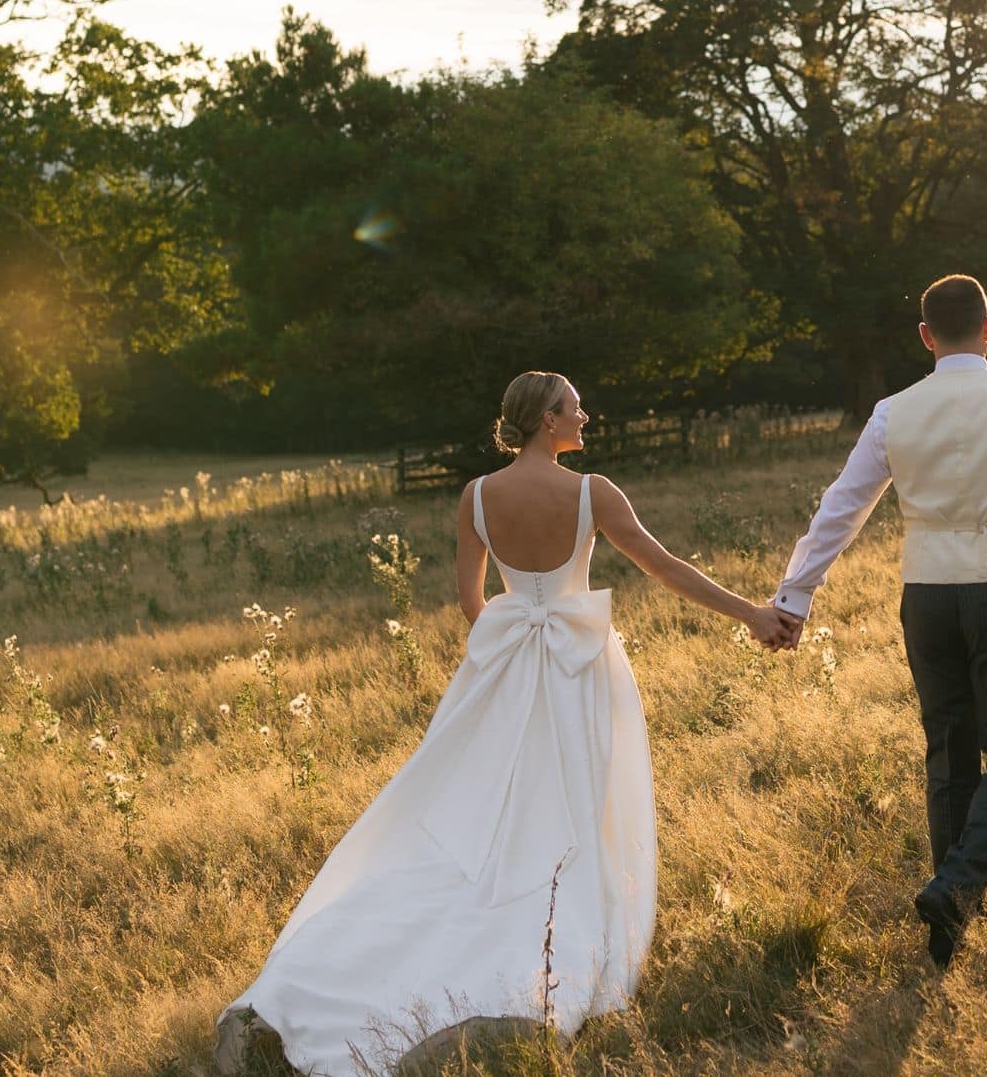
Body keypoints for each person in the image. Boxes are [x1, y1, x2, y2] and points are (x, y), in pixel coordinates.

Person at [217, 371, 797, 1074]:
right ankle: (554, 926)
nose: (585, 416)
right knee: (577, 801)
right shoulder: (593, 493)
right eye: (575, 408)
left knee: (486, 799)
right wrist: (751, 614)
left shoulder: (476, 496)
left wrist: (515, 642)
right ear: (549, 419)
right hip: (581, 668)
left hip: (504, 667)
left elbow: (471, 599)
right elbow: (665, 568)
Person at [770, 274, 987, 967]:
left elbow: (842, 508)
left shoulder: (892, 413)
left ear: (926, 336)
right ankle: (956, 886)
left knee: (950, 751)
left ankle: (946, 933)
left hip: (928, 597)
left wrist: (794, 596)